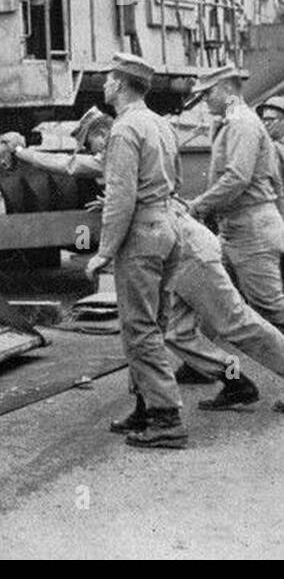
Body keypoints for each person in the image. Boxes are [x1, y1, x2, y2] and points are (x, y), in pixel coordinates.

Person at [17, 107, 278, 417]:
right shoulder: (149, 142)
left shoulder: (123, 146)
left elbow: (72, 166)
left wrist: (21, 152)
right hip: (181, 250)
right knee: (178, 335)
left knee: (235, 322)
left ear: (102, 135)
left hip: (191, 252)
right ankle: (236, 381)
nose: (93, 153)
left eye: (92, 144)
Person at [84, 54, 186, 448]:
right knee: (153, 323)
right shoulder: (159, 123)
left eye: (109, 79)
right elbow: (174, 178)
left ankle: (166, 419)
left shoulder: (125, 130)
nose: (104, 85)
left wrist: (104, 251)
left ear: (122, 85)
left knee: (139, 329)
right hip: (167, 225)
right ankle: (145, 406)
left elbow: (120, 197)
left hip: (141, 234)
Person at [186, 65, 284, 330]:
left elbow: (237, 178)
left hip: (252, 231)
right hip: (236, 230)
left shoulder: (242, 123)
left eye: (208, 93)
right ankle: (204, 368)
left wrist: (198, 205)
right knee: (217, 302)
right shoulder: (229, 123)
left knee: (271, 311)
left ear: (227, 88)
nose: (204, 100)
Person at [257, 95, 284, 219]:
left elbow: (278, 189)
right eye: (264, 120)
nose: (265, 124)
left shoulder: (273, 149)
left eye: (270, 120)